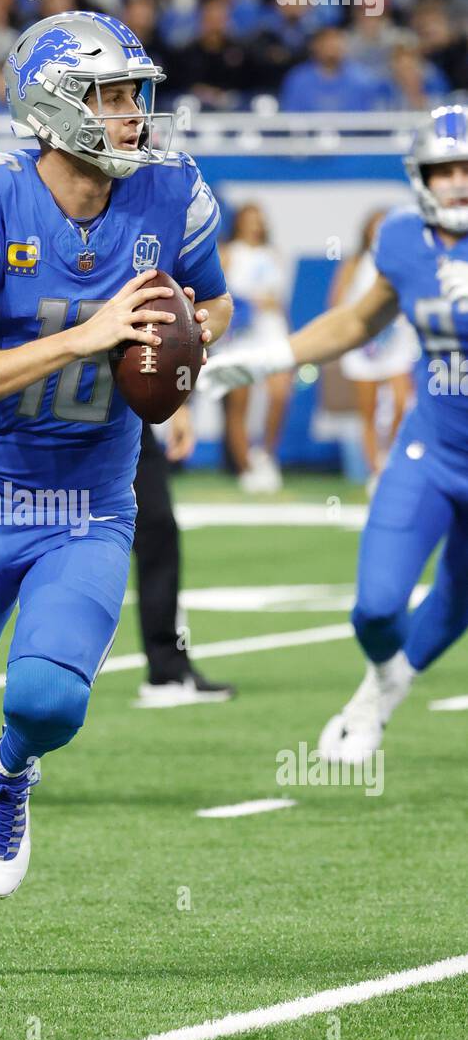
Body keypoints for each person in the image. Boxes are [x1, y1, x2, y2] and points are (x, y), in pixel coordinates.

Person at [0, 10, 232, 983]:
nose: (131, 114)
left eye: (133, 94)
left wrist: (182, 341)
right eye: (110, 95)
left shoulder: (170, 191)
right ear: (55, 107)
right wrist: (87, 335)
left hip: (88, 500)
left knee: (47, 701)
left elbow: (212, 296)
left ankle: (10, 770)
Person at [198, 104, 468, 766]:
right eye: (444, 169)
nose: (458, 181)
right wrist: (268, 358)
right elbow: (358, 321)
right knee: (374, 610)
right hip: (431, 448)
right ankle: (382, 684)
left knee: (455, 600)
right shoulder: (405, 238)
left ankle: (375, 703)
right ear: (420, 177)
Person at [132, 411, 236, 707]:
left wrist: (177, 407)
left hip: (120, 422)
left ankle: (168, 670)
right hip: (34, 433)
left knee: (157, 529)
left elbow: (148, 362)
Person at [330, 210, 418, 481]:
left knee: (403, 403)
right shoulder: (354, 265)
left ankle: (391, 460)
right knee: (367, 410)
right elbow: (337, 305)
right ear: (366, 232)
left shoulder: (404, 262)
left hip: (397, 343)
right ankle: (375, 472)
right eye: (374, 227)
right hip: (364, 345)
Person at [217, 203, 293, 493]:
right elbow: (216, 293)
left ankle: (265, 454)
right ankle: (245, 467)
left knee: (279, 393)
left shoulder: (273, 254)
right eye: (249, 219)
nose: (255, 225)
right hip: (240, 334)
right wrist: (247, 303)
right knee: (240, 402)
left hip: (272, 331)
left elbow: (280, 299)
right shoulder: (228, 253)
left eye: (259, 219)